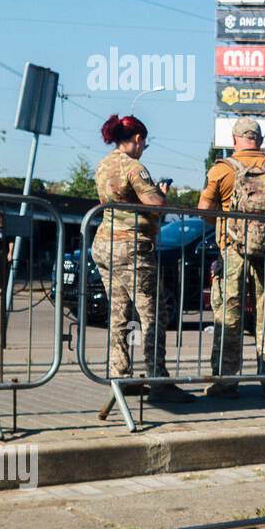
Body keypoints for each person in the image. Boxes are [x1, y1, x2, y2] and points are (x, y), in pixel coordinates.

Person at [91, 114, 193, 404]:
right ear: (137, 139)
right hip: (131, 248)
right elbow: (156, 206)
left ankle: (120, 376)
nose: (143, 148)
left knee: (119, 314)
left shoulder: (103, 165)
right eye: (144, 143)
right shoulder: (134, 167)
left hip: (104, 245)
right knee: (154, 315)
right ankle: (158, 380)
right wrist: (161, 194)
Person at [198, 117, 265, 399]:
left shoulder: (222, 171)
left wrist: (228, 225)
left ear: (234, 140)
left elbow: (203, 210)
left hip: (233, 252)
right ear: (260, 141)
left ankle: (226, 383)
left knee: (229, 316)